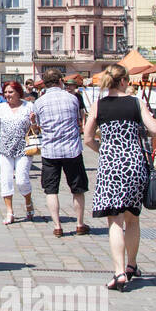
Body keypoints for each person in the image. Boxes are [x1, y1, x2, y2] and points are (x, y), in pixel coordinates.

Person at [84, 63, 156, 291]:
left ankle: (118, 272)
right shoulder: (136, 102)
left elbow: (87, 138)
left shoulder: (98, 105)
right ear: (124, 81)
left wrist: (105, 148)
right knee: (132, 218)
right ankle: (131, 265)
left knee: (114, 220)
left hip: (110, 165)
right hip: (134, 163)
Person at [36, 68, 90, 237]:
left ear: (45, 84)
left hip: (50, 151)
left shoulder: (39, 102)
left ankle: (57, 226)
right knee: (77, 188)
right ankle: (80, 224)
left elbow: (38, 124)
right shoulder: (72, 99)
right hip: (71, 149)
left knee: (51, 190)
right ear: (61, 81)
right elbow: (77, 119)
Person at [0, 80, 37, 226]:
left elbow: (36, 129)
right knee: (6, 180)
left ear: (18, 93)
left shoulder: (28, 106)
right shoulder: (1, 107)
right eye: (6, 92)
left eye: (11, 92)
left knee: (22, 179)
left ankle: (28, 201)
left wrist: (34, 122)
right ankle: (9, 212)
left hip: (24, 148)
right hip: (5, 149)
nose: (8, 95)